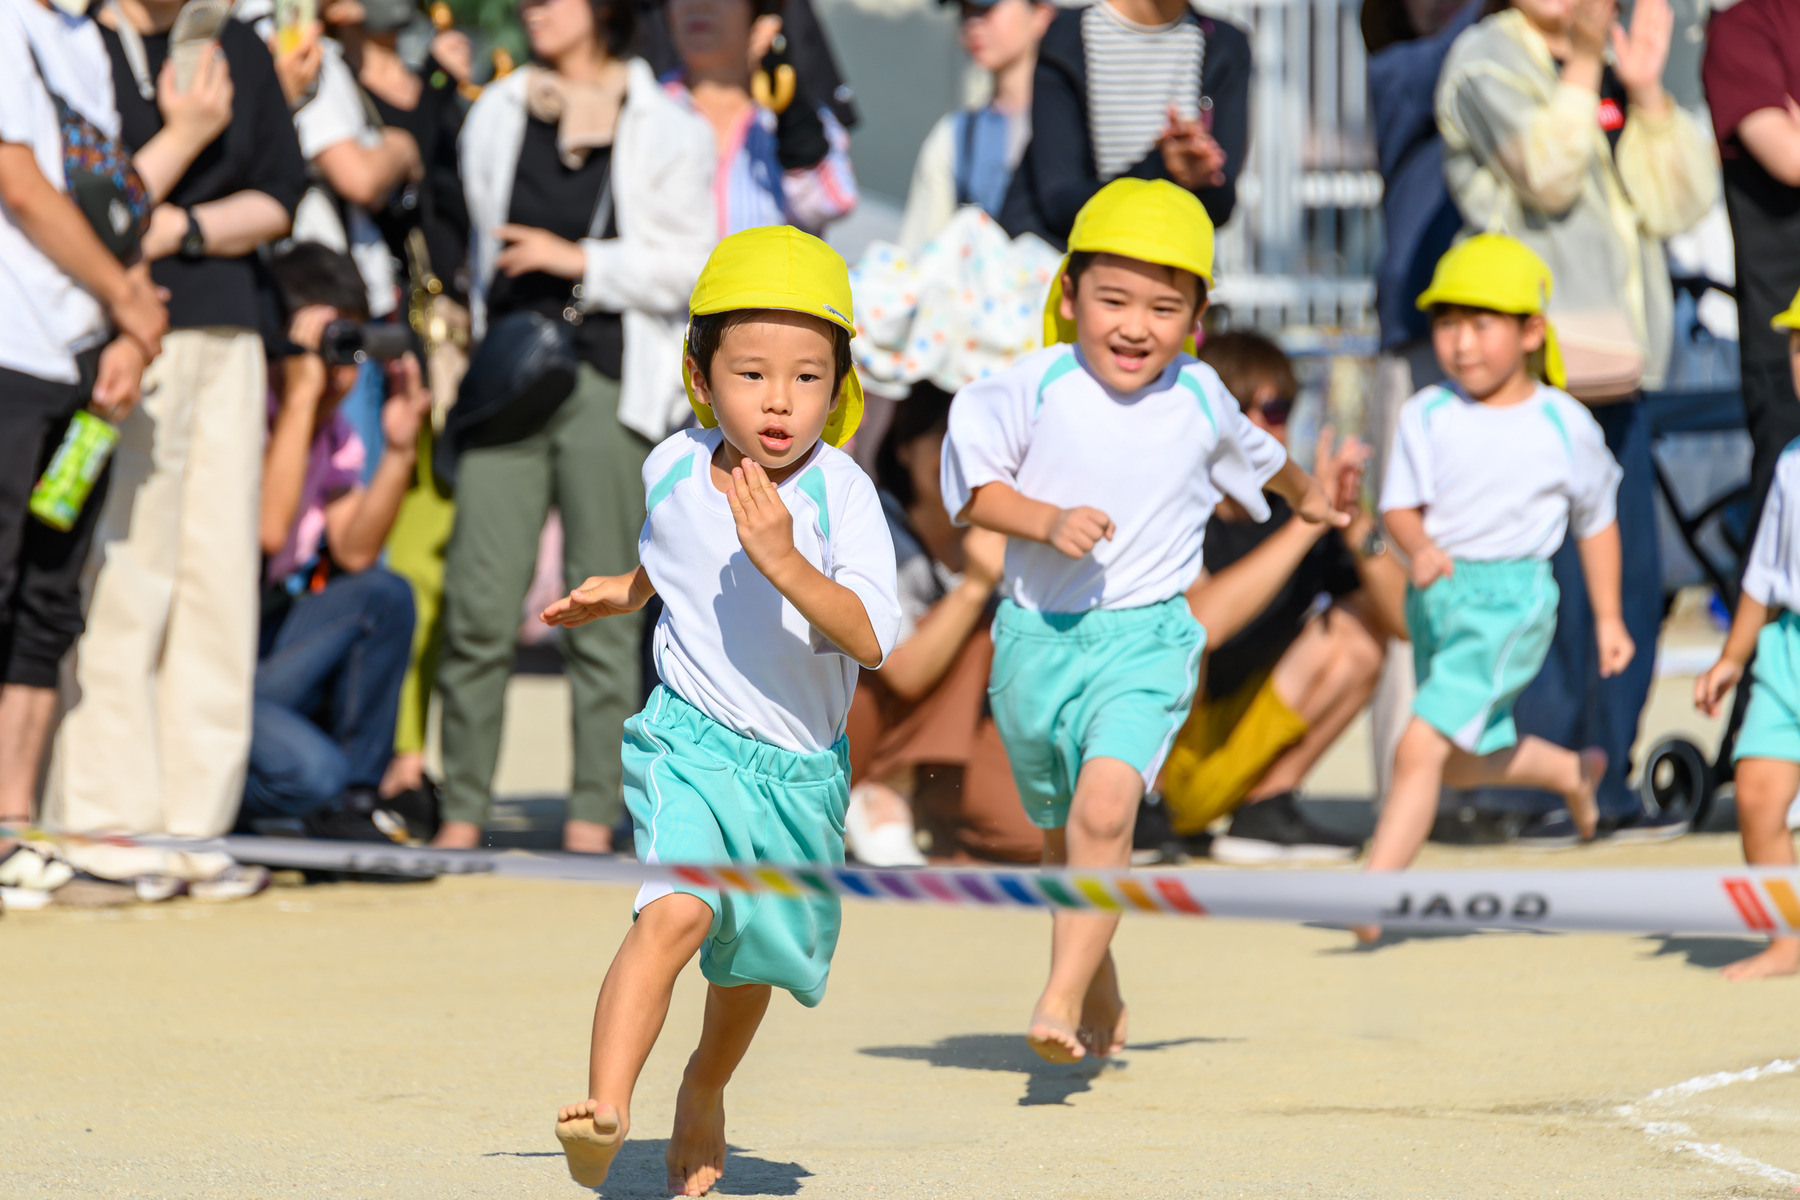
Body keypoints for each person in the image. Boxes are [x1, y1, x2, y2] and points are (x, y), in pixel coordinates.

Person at [941, 179, 1344, 1063]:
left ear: (1196, 318)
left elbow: (1269, 462)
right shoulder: (1032, 385)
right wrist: (1044, 520)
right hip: (1034, 643)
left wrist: (1318, 502)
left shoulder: (1200, 395)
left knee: (1107, 803)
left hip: (1149, 642)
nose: (1136, 326)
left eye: (1165, 307)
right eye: (1113, 299)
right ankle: (1101, 986)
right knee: (1069, 839)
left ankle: (1055, 996)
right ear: (1070, 295)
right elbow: (973, 491)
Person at [542, 226, 899, 1194]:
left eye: (807, 377)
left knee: (751, 963)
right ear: (701, 377)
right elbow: (675, 567)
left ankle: (704, 1085)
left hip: (800, 773)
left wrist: (787, 560)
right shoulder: (669, 464)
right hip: (690, 743)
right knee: (679, 912)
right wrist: (619, 591)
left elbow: (871, 638)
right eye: (750, 372)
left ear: (840, 385)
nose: (779, 400)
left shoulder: (843, 497)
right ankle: (605, 1106)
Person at [435, 0, 715, 853]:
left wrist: (581, 261)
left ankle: (595, 819)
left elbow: (691, 266)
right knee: (478, 607)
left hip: (608, 382)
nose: (533, 9)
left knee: (606, 611)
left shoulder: (670, 124)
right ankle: (461, 813)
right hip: (507, 383)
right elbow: (473, 244)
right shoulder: (499, 109)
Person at [1435, 0, 1714, 843]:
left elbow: (1680, 205)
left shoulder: (1615, 55)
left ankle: (1608, 776)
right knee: (1534, 584)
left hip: (1617, 378)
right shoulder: (1487, 58)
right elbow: (1547, 175)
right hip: (1526, 383)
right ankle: (1533, 784)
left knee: (1625, 586)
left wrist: (1647, 94)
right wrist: (1588, 69)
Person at [45, 0, 306, 892]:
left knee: (216, 581)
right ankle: (108, 824)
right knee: (123, 575)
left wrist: (183, 228)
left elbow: (281, 195)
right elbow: (83, 199)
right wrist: (188, 137)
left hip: (228, 332)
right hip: (123, 335)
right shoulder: (80, 42)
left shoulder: (238, 41)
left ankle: (197, 826)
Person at [0, 0, 223, 900]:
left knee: (48, 596)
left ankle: (12, 827)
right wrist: (127, 302)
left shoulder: (87, 38)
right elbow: (17, 179)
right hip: (11, 352)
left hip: (84, 370)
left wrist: (128, 334)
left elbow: (111, 204)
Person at [1367, 235, 1628, 895]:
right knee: (1456, 763)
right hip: (1439, 601)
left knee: (1417, 746)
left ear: (1532, 331)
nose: (1460, 343)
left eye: (1481, 324)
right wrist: (1418, 545)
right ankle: (1572, 773)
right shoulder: (1425, 413)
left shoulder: (1565, 423)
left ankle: (1371, 895)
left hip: (1511, 605)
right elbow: (1398, 507)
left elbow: (1596, 524)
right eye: (1447, 323)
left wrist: (1609, 619)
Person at [1159, 331, 1408, 862]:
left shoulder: (1289, 512)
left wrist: (1351, 520)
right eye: (1244, 409)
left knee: (1361, 629)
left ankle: (1265, 809)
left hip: (1229, 756)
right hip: (1154, 760)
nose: (1264, 425)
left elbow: (1407, 624)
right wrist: (1306, 522)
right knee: (1181, 646)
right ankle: (1144, 811)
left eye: (1277, 408)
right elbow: (1199, 625)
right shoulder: (1171, 500)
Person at [241, 243, 429, 840]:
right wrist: (299, 395)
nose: (341, 367)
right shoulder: (256, 406)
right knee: (310, 773)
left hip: (266, 637)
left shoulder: (333, 428)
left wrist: (399, 450)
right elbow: (266, 536)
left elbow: (354, 553)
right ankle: (301, 801)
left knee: (385, 594)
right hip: (214, 657)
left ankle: (353, 801)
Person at [844, 384, 1043, 866]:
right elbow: (904, 672)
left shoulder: (1020, 533)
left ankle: (929, 807)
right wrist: (976, 585)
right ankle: (886, 788)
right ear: (905, 448)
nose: (963, 461)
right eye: (945, 439)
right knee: (976, 633)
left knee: (1031, 836)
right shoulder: (870, 525)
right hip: (859, 725)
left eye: (980, 448)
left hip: (957, 737)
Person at [1693, 287, 1800, 981]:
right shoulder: (1790, 462)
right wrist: (1734, 657)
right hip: (1786, 656)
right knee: (1757, 793)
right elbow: (1763, 573)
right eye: (1798, 346)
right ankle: (1789, 935)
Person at [997, 0, 1251, 247]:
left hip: (1170, 267)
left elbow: (1221, 208)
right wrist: (1162, 169)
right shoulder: (1067, 36)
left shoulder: (1226, 45)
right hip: (1083, 265)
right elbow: (1059, 205)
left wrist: (1201, 175)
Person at [1701, 0, 1800, 587]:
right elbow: (1788, 156)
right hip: (1786, 343)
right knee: (1780, 544)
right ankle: (1757, 673)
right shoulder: (1744, 27)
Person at [661, 0, 857, 237]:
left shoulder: (789, 111)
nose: (698, 5)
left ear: (758, 12)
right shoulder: (643, 106)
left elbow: (834, 202)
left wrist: (789, 110)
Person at [897, 0, 1054, 252]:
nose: (973, 22)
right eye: (965, 10)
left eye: (987, 7)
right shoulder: (954, 134)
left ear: (1041, 15)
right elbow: (919, 252)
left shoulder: (1083, 128)